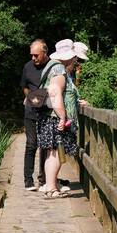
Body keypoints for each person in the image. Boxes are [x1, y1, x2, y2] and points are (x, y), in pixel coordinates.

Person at [36, 38, 86, 198]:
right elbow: (54, 91)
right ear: (67, 57)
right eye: (73, 57)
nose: (75, 60)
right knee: (55, 153)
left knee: (53, 153)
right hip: (55, 118)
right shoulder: (58, 69)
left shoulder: (52, 67)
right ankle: (51, 188)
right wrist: (63, 117)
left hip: (49, 117)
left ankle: (51, 185)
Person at [20, 39, 51, 190]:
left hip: (47, 112)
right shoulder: (27, 66)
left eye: (36, 55)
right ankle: (28, 180)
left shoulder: (53, 67)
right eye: (31, 55)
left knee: (46, 145)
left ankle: (45, 179)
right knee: (31, 144)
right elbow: (24, 87)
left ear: (44, 53)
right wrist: (31, 97)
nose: (33, 58)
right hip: (31, 110)